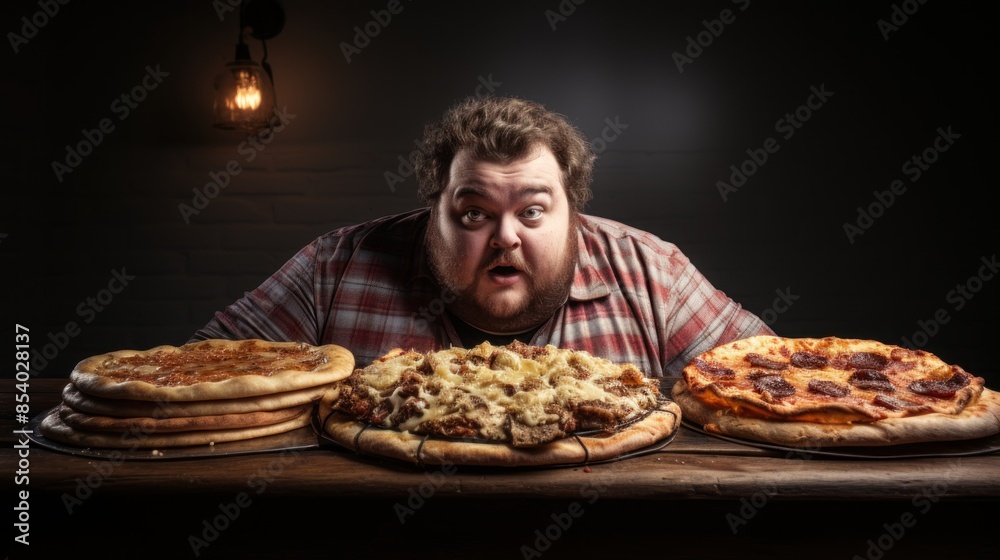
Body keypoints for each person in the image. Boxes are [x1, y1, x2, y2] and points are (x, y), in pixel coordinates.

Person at [191, 96, 773, 379]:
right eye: (474, 214)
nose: (505, 238)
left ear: (575, 212)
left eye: (533, 211)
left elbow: (772, 380)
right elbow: (202, 372)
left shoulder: (653, 273)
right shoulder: (334, 266)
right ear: (432, 211)